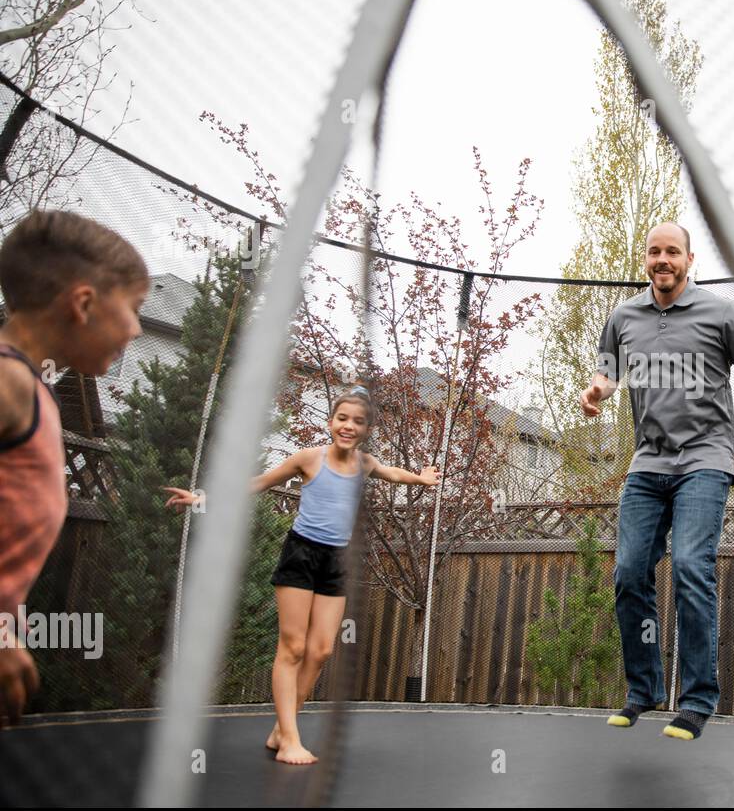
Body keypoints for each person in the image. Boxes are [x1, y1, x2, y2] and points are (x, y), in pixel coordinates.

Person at [580, 221, 734, 740]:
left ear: (691, 261)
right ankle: (643, 689)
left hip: (705, 460)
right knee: (628, 573)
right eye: (654, 252)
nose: (662, 260)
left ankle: (696, 700)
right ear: (645, 260)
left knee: (692, 564)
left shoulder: (721, 313)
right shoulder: (623, 317)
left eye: (673, 252)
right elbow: (607, 372)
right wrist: (596, 393)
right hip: (647, 463)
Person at [166, 387, 440, 764]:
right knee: (293, 647)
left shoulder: (365, 463)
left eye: (357, 422)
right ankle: (290, 739)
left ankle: (282, 728)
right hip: (301, 554)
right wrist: (202, 499)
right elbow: (259, 483)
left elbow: (391, 473)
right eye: (342, 418)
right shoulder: (308, 458)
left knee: (322, 649)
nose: (348, 426)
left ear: (366, 429)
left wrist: (421, 479)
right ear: (331, 422)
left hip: (336, 560)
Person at [0, 211, 148, 727]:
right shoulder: (9, 384)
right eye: (135, 310)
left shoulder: (33, 389)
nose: (135, 329)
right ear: (83, 303)